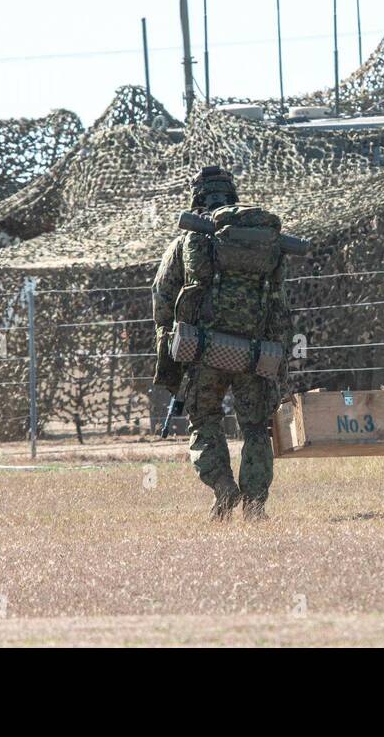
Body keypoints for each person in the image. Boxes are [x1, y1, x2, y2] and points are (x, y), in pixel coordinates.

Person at [152, 167, 292, 521]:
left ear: (197, 197)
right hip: (255, 353)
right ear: (232, 195)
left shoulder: (190, 239)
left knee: (204, 422)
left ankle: (223, 488)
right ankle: (256, 505)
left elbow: (163, 296)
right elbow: (279, 297)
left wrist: (170, 353)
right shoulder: (261, 241)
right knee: (256, 426)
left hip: (203, 351)